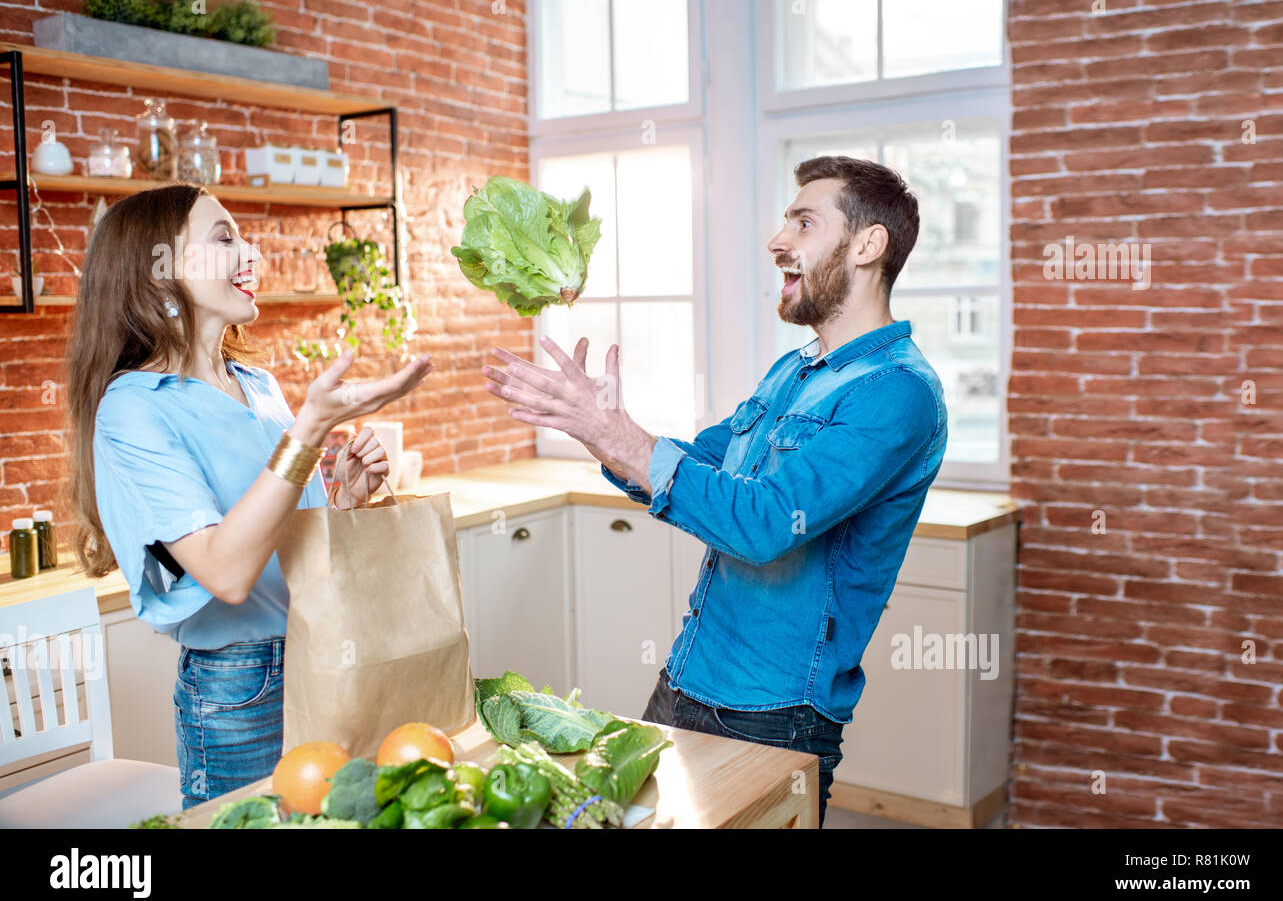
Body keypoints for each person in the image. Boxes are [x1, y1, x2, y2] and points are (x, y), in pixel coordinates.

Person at [482, 156, 948, 827]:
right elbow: (703, 465)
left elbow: (761, 523)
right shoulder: (794, 369)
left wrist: (619, 437)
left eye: (804, 220)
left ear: (869, 245)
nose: (777, 239)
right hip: (686, 678)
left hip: (775, 714)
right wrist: (603, 431)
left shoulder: (896, 392)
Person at [66, 184, 432, 809]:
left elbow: (286, 538)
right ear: (159, 275)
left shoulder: (257, 385)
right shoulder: (132, 410)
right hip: (240, 688)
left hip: (321, 651)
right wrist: (309, 431)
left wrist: (343, 493)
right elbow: (227, 572)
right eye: (224, 238)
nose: (251, 252)